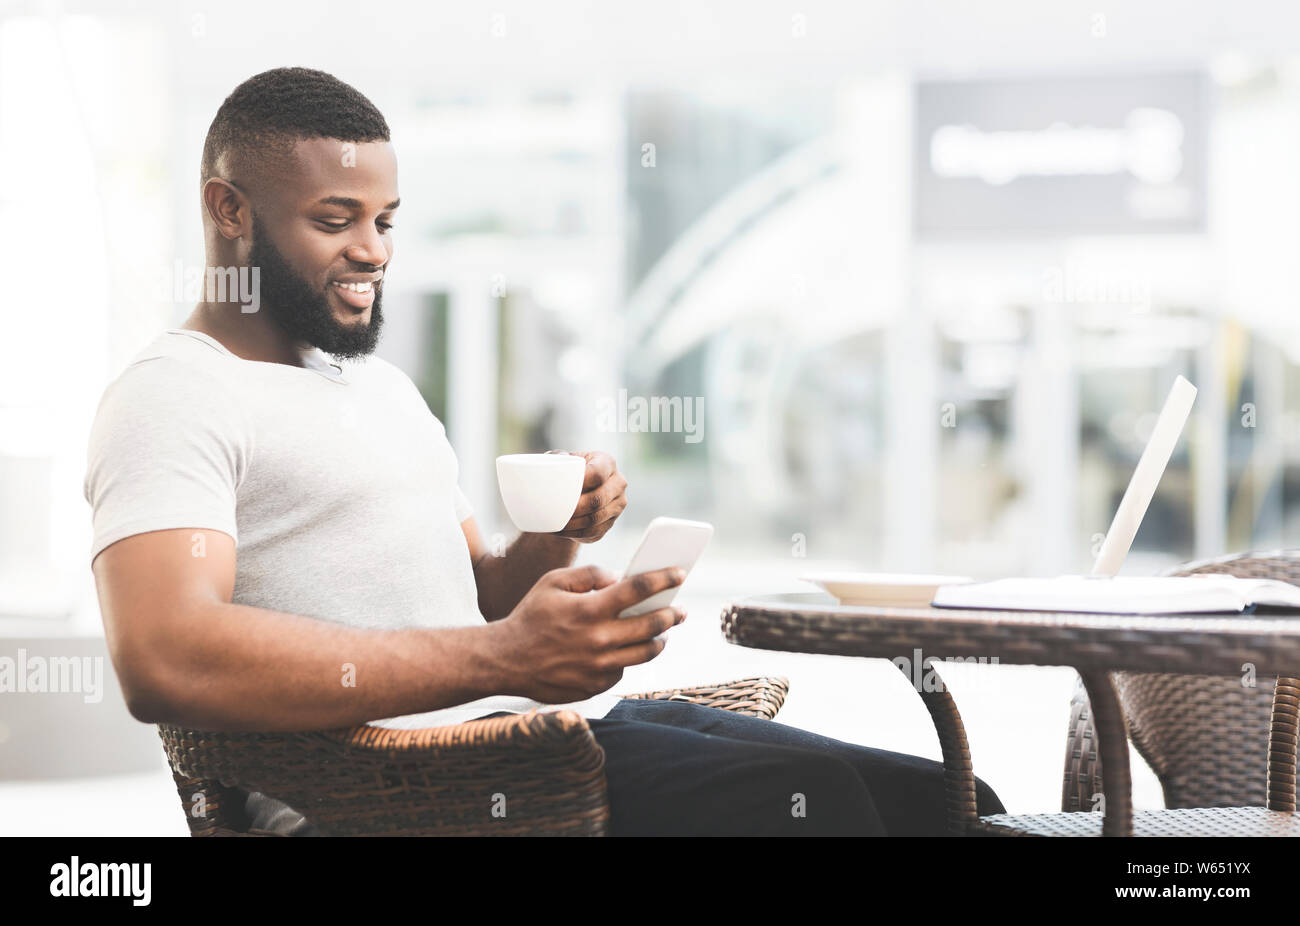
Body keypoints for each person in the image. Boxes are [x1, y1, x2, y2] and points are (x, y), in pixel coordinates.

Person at [84, 67, 1004, 836]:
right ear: (228, 209)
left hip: (537, 733)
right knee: (825, 813)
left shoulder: (381, 391)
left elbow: (479, 600)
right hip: (405, 790)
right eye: (337, 220)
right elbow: (166, 656)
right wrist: (503, 662)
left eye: (387, 220)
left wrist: (557, 539)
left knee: (953, 805)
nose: (375, 251)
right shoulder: (174, 395)